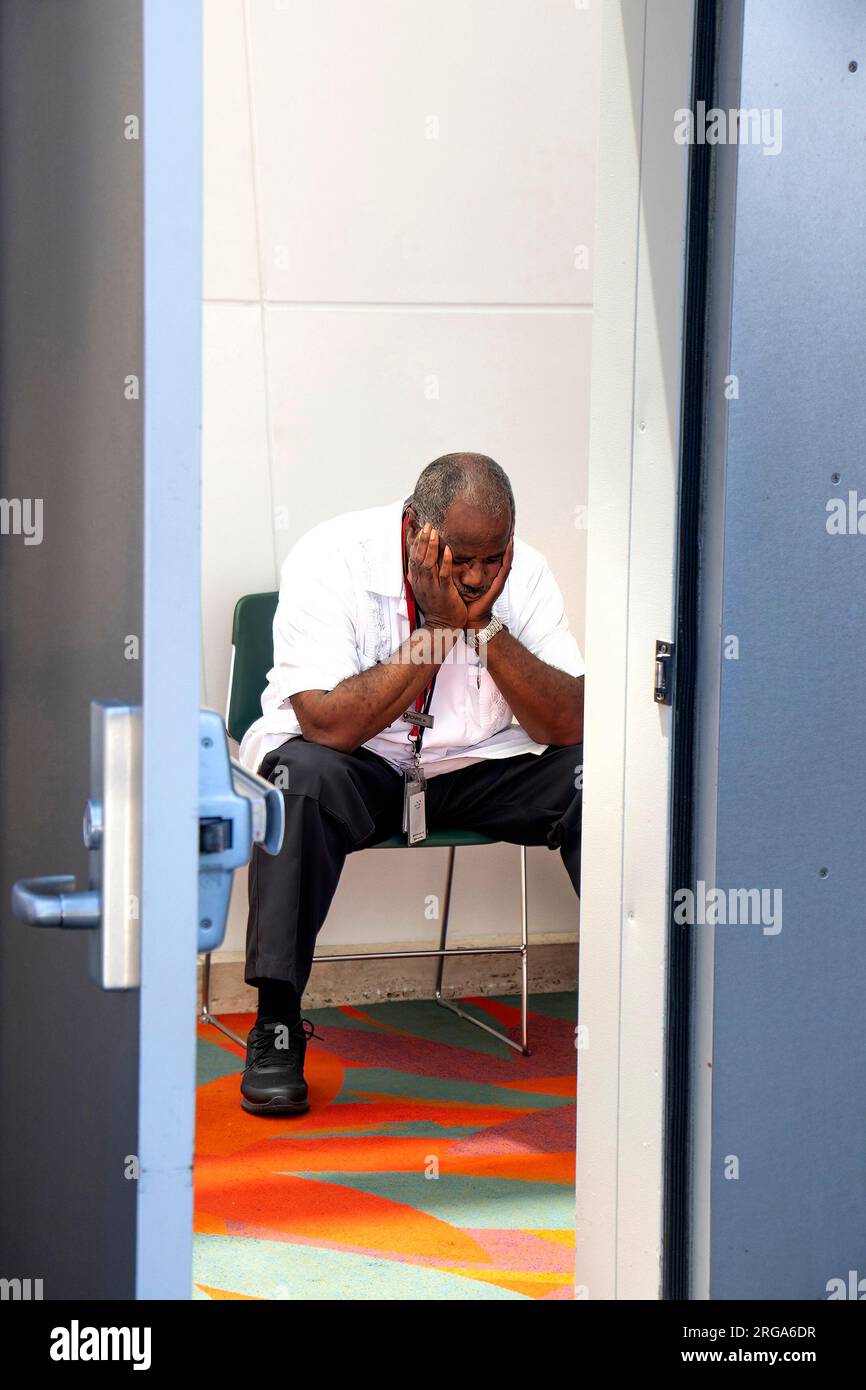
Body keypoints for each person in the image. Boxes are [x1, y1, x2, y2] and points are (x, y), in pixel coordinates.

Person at [237, 452, 584, 1115]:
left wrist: (478, 625)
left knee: (596, 776)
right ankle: (277, 1024)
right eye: (461, 558)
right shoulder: (332, 557)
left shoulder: (526, 571)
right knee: (295, 780)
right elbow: (328, 725)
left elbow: (567, 722)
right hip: (359, 764)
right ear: (415, 532)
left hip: (478, 767)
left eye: (494, 556)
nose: (480, 575)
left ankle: (644, 1004)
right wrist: (436, 633)